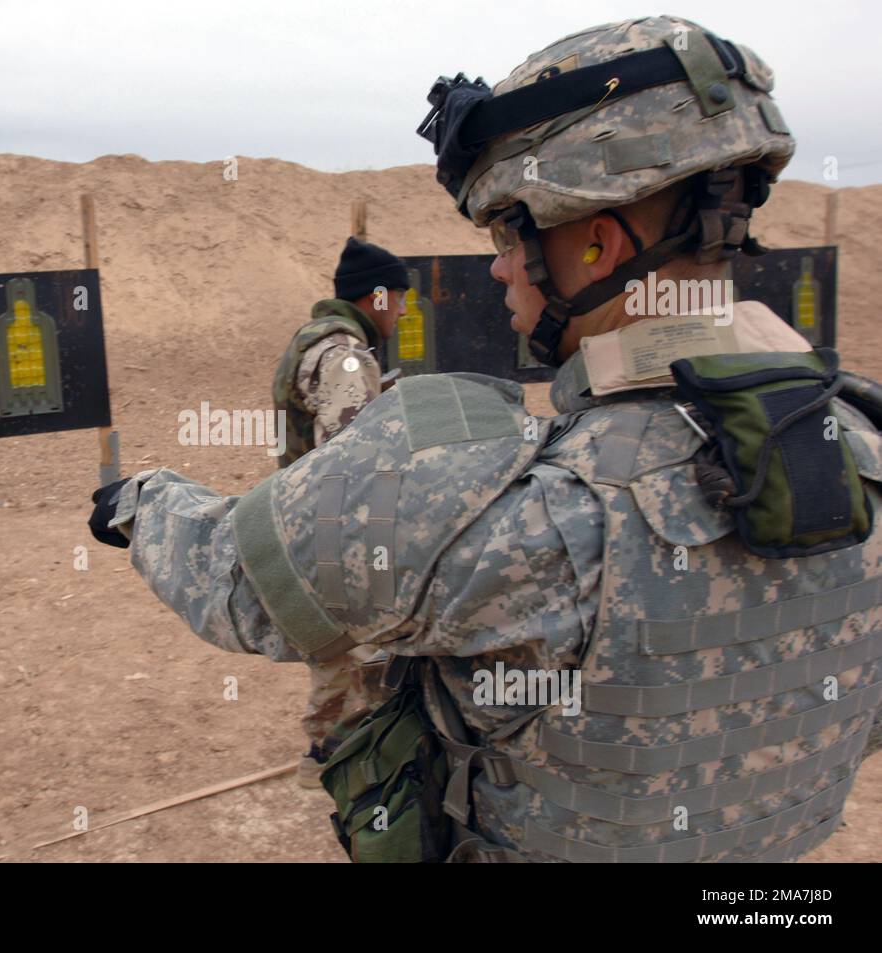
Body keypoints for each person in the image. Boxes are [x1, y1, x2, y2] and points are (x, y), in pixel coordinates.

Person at [90, 15, 882, 862]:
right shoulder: (864, 447)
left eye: (509, 234)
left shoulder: (517, 507)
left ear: (594, 241)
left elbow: (236, 582)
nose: (500, 266)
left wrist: (144, 501)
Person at [271, 237, 409, 786]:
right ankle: (337, 756)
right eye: (398, 299)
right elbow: (350, 465)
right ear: (376, 298)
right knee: (349, 645)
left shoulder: (321, 344)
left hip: (305, 520)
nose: (402, 311)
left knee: (336, 646)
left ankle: (339, 746)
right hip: (331, 530)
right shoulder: (347, 357)